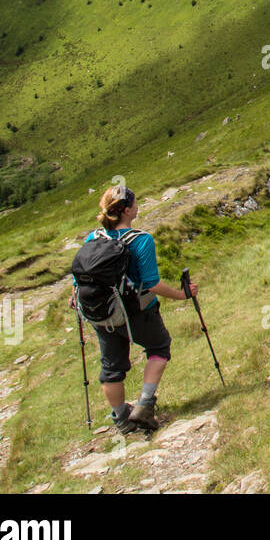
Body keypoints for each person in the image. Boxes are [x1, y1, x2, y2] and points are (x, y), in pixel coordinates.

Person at [72, 185, 196, 433]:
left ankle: (121, 419)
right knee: (159, 347)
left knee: (112, 367)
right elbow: (151, 283)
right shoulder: (141, 240)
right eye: (136, 203)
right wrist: (182, 295)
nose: (139, 206)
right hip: (137, 312)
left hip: (101, 314)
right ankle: (145, 404)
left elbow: (79, 276)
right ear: (127, 210)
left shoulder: (92, 238)